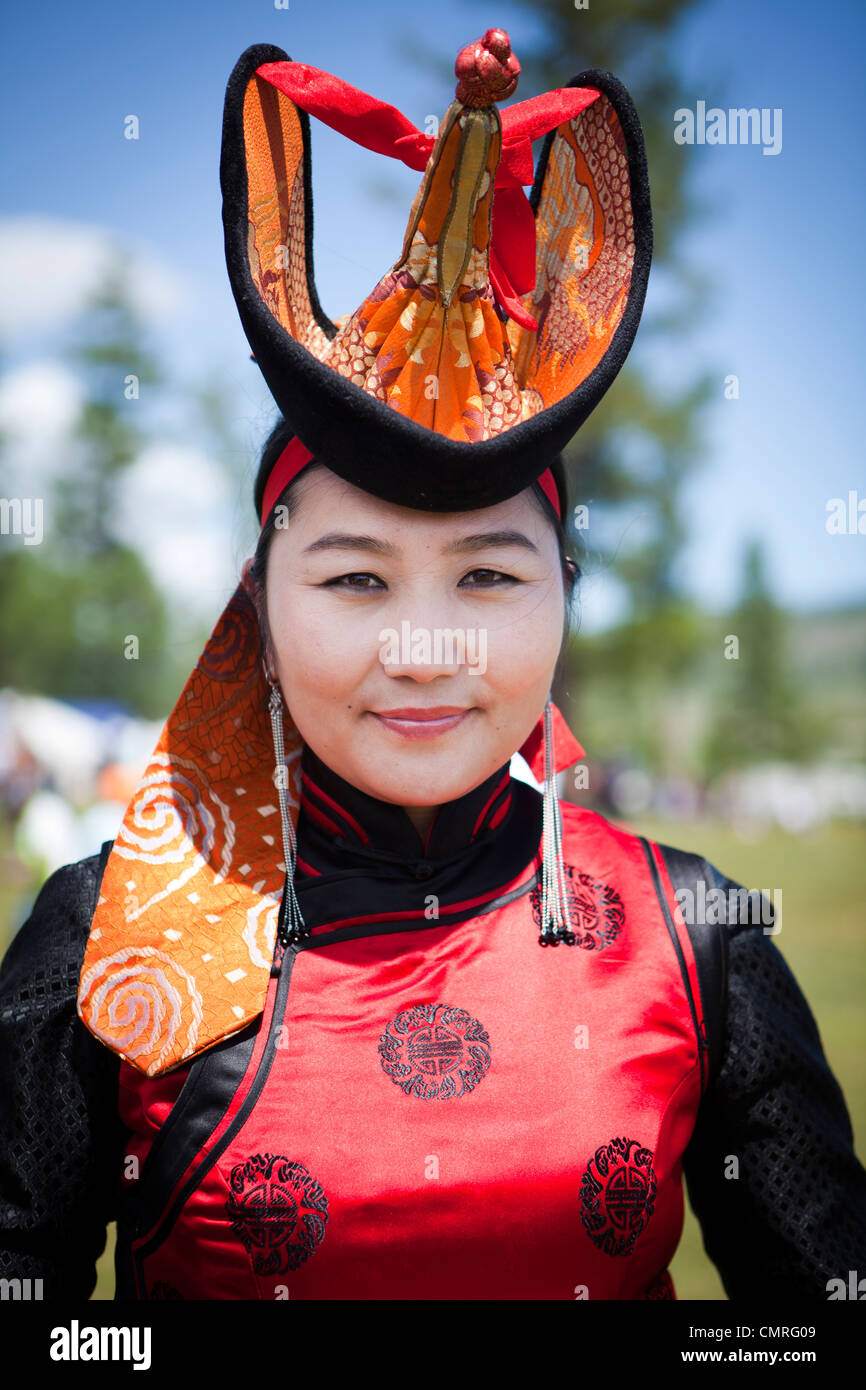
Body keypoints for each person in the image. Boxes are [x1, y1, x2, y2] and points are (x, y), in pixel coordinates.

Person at [1, 30, 864, 1302]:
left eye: (489, 576)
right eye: (354, 577)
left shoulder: (699, 942)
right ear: (259, 604)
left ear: (562, 599)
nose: (423, 647)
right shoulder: (108, 932)